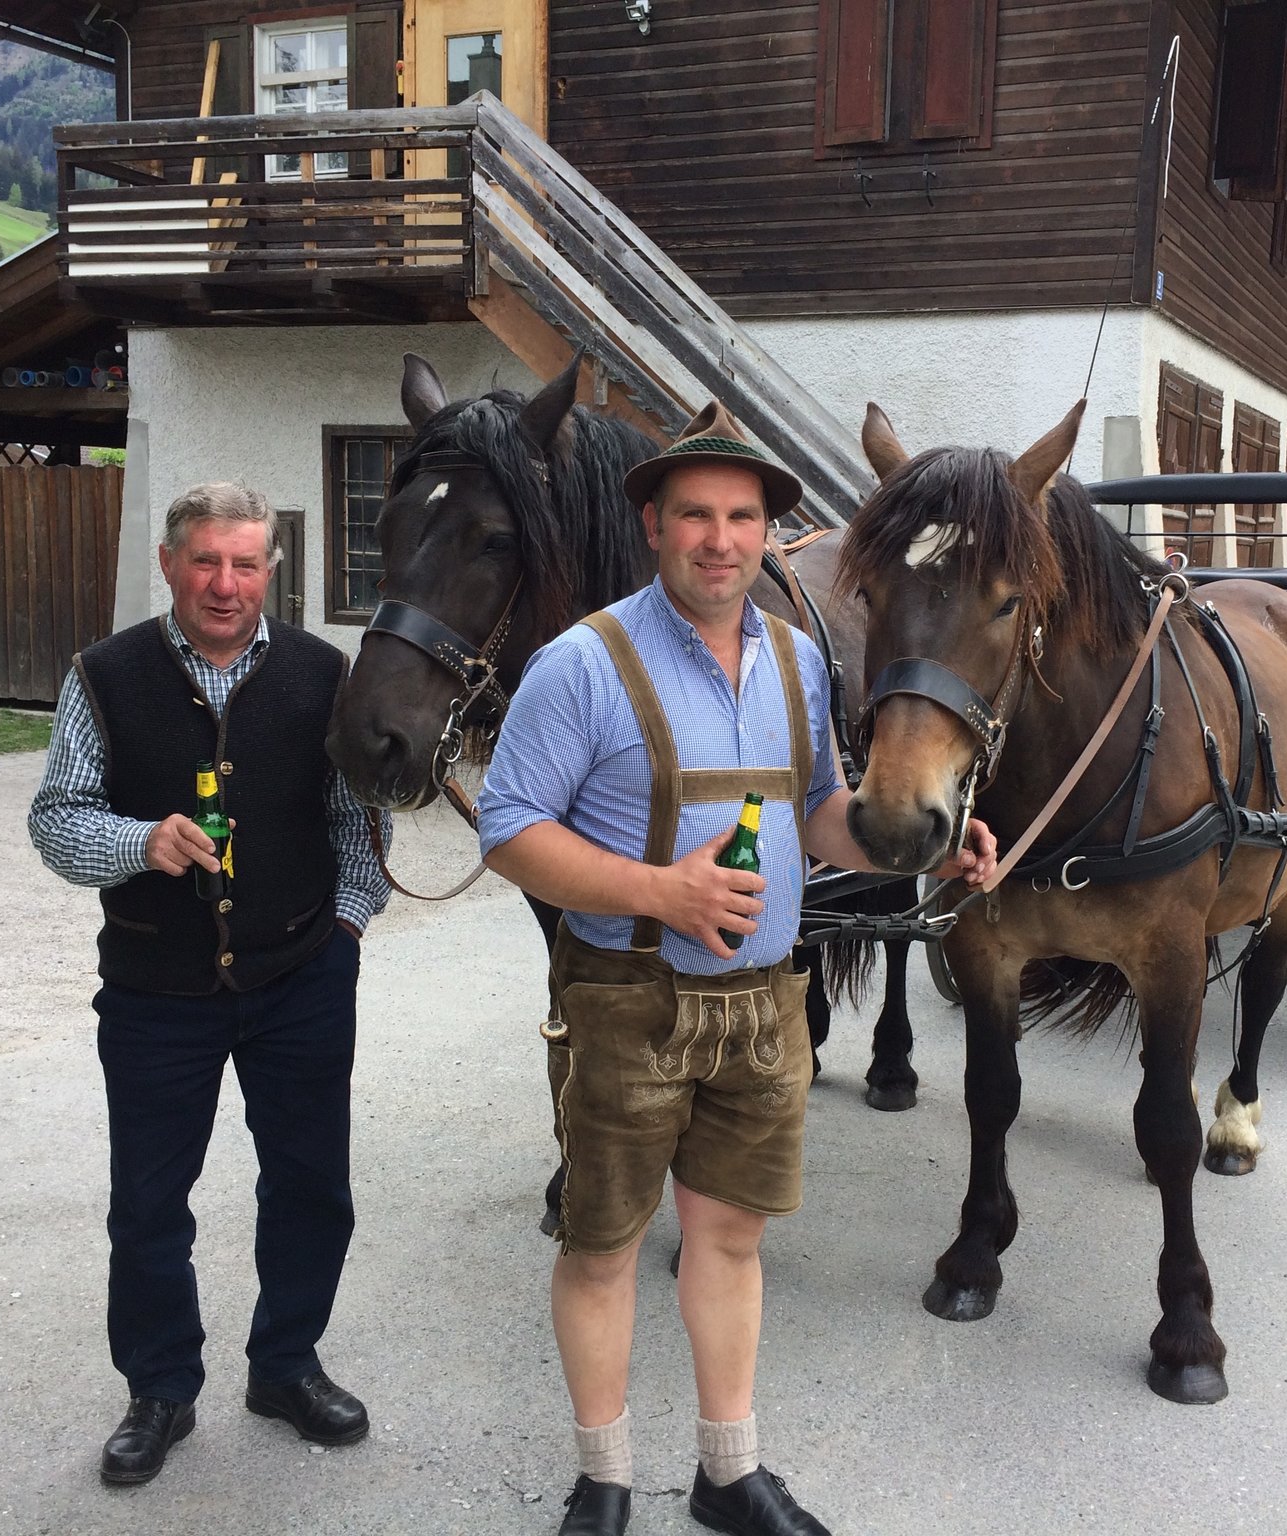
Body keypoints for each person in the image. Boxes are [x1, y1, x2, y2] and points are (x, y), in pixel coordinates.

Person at [478, 406, 996, 1536]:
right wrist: (660, 891)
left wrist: (922, 844)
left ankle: (728, 1473)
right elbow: (508, 829)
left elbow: (817, 814)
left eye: (742, 518)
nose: (720, 540)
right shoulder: (582, 662)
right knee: (603, 1249)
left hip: (764, 1007)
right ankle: (603, 1479)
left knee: (728, 1239)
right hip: (626, 1002)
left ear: (768, 533)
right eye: (696, 516)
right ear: (654, 527)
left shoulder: (798, 661)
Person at [28, 482, 390, 1486]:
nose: (225, 584)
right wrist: (140, 842)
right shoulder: (105, 674)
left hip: (301, 975)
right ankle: (159, 1389)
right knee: (149, 1205)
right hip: (155, 987)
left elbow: (358, 829)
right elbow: (57, 820)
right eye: (205, 561)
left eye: (244, 564)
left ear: (270, 570)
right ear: (168, 564)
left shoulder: (323, 672)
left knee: (310, 1187)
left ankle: (286, 1365)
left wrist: (344, 933)